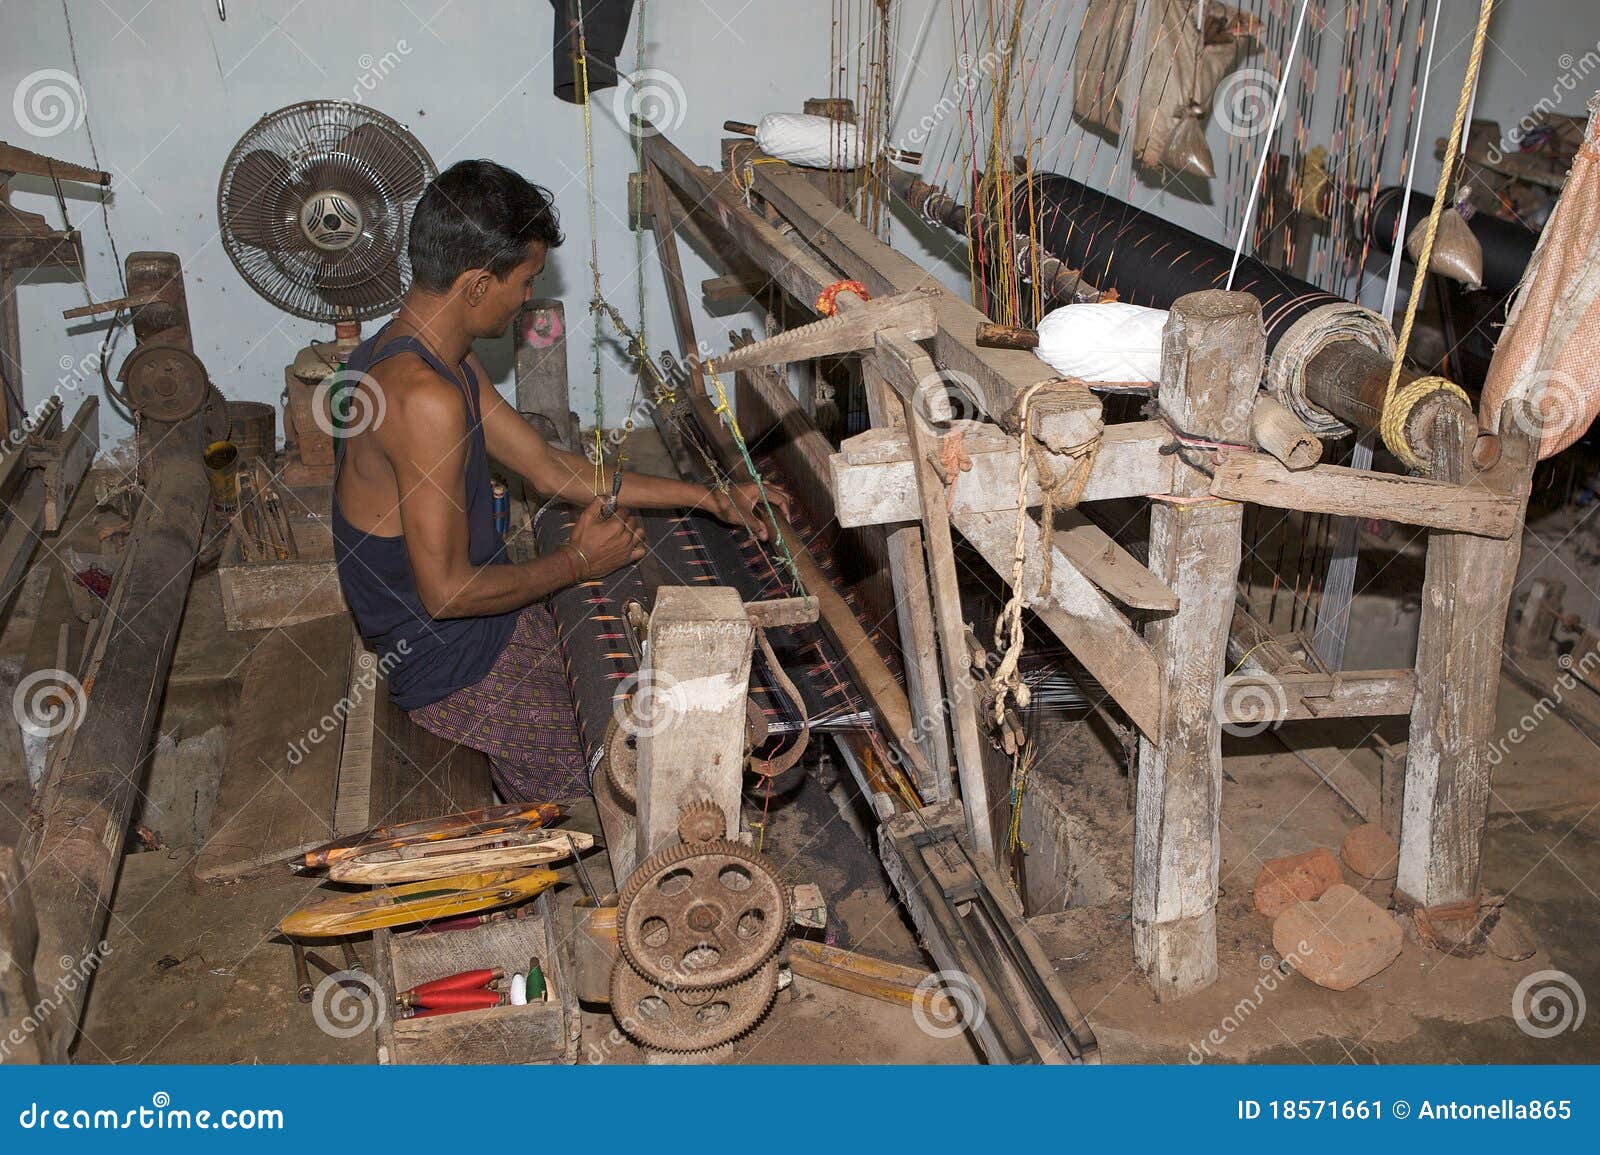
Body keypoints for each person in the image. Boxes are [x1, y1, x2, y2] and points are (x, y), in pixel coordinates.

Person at [332, 159, 786, 802]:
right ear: (476, 285)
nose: (526, 299)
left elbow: (546, 466)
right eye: (524, 282)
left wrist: (711, 499)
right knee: (636, 776)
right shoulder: (423, 399)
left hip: (478, 632)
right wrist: (578, 561)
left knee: (644, 696)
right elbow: (448, 594)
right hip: (451, 669)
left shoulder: (425, 356)